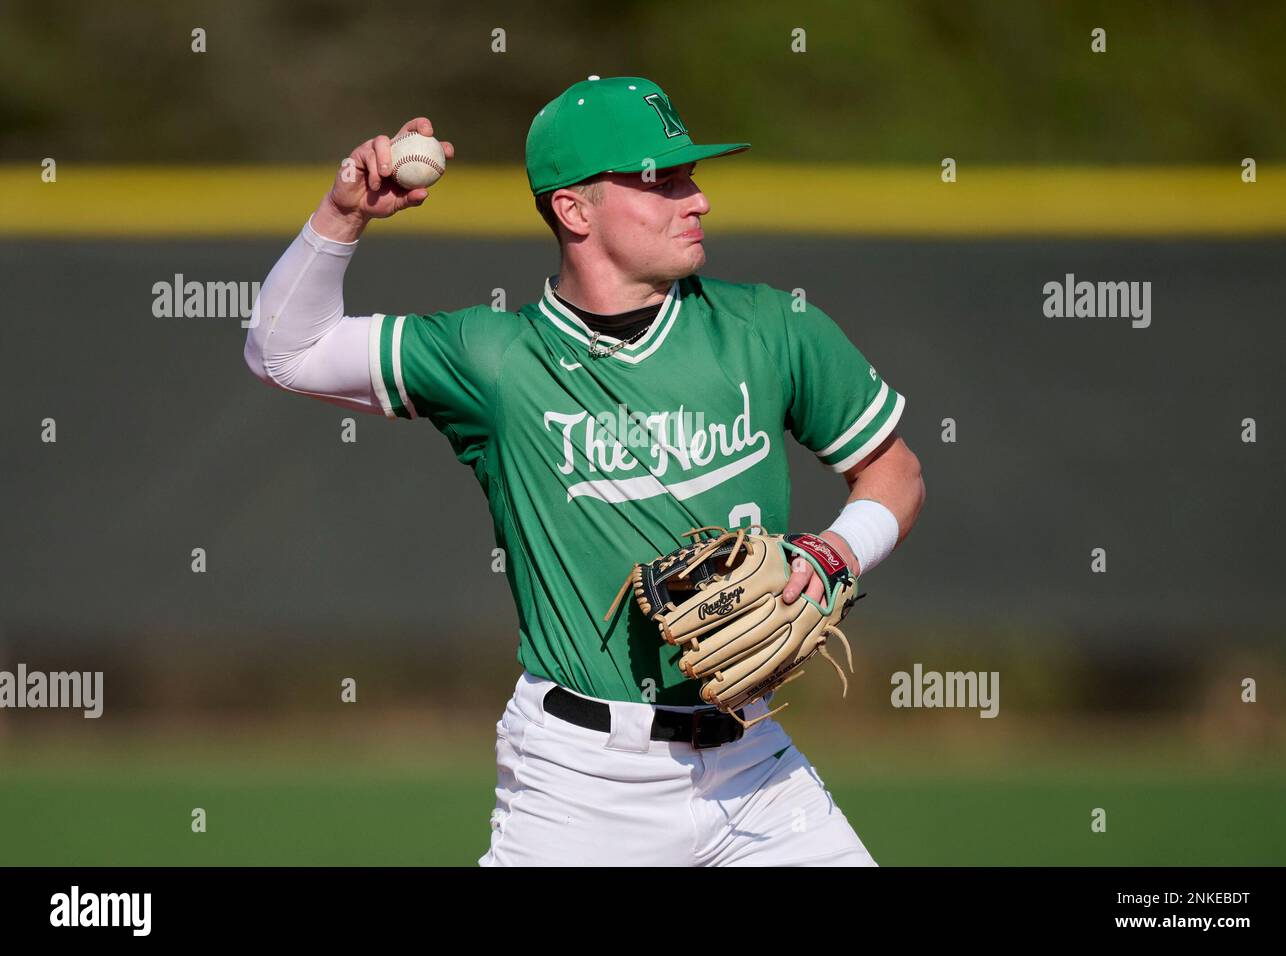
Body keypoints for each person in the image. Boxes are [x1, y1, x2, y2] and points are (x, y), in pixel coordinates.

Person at [244, 76, 925, 866]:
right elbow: (283, 351)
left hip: (755, 768)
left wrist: (834, 553)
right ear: (574, 210)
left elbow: (894, 471)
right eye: (657, 180)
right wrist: (345, 215)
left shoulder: (771, 327)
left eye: (691, 176)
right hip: (579, 782)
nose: (695, 198)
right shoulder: (495, 360)